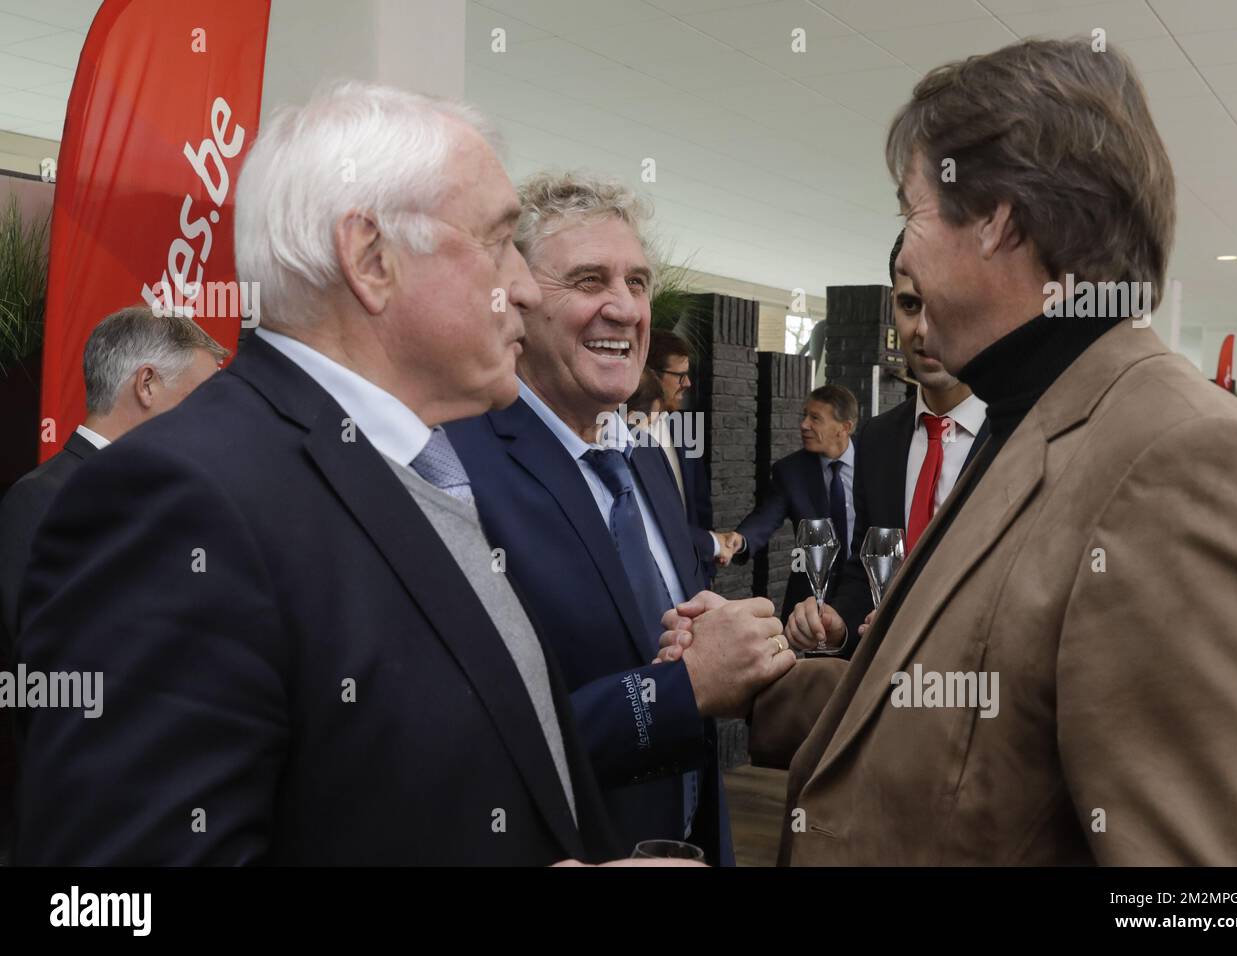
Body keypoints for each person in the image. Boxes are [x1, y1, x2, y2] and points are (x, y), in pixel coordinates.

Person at [661, 38, 1237, 865]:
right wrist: (756, 676)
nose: (908, 255)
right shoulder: (1028, 416)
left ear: (1000, 220)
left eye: (913, 212)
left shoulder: (1183, 460)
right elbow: (956, 719)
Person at [15, 82, 638, 865]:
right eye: (499, 240)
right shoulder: (180, 502)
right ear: (370, 259)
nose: (519, 285)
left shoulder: (421, 466)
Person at [446, 171, 793, 864]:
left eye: (636, 282)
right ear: (514, 300)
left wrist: (721, 640)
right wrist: (683, 688)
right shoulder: (454, 474)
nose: (626, 309)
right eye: (587, 280)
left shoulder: (642, 462)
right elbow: (468, 744)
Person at [0, 306, 224, 863]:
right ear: (146, 385)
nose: (219, 426)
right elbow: (41, 688)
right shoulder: (40, 502)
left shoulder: (182, 506)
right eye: (204, 401)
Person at [797, 233, 988, 658]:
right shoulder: (879, 439)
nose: (924, 329)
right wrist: (838, 623)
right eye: (910, 305)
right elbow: (866, 569)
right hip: (883, 687)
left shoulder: (1021, 436)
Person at [722, 385, 858, 623]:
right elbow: (766, 516)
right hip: (811, 600)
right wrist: (740, 539)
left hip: (864, 594)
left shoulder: (876, 464)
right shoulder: (790, 471)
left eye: (815, 418)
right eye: (805, 415)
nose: (804, 425)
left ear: (844, 428)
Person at [646, 330, 727, 568]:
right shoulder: (618, 433)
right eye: (680, 376)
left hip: (691, 571)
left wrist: (706, 564)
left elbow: (700, 505)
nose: (688, 383)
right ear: (651, 376)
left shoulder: (686, 427)